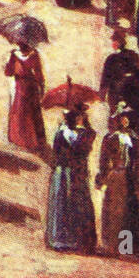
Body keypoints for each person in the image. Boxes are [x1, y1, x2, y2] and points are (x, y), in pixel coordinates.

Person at [45, 108, 97, 253]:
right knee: (62, 202)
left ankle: (80, 240)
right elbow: (55, 152)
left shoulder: (86, 134)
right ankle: (61, 239)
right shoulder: (61, 132)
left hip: (77, 173)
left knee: (78, 203)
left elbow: (84, 150)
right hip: (64, 171)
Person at [96, 104, 139, 256]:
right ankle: (112, 245)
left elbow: (138, 160)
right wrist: (103, 175)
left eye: (127, 118)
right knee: (115, 212)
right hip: (115, 177)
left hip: (129, 178)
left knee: (129, 214)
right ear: (117, 120)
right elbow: (103, 160)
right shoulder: (110, 138)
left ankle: (126, 247)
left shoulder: (135, 139)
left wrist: (138, 177)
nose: (125, 121)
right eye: (122, 118)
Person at [4, 41, 47, 154]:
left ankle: (27, 141)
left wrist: (41, 87)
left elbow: (38, 73)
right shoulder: (18, 55)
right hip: (24, 88)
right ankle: (26, 141)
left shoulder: (29, 55)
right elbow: (8, 72)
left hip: (27, 88)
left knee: (25, 113)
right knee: (23, 113)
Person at [99, 31, 139, 131]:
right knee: (115, 119)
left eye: (116, 41)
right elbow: (105, 77)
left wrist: (131, 83)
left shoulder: (132, 56)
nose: (114, 44)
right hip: (114, 94)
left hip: (129, 93)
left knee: (128, 119)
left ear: (121, 42)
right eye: (113, 41)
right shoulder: (110, 59)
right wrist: (102, 94)